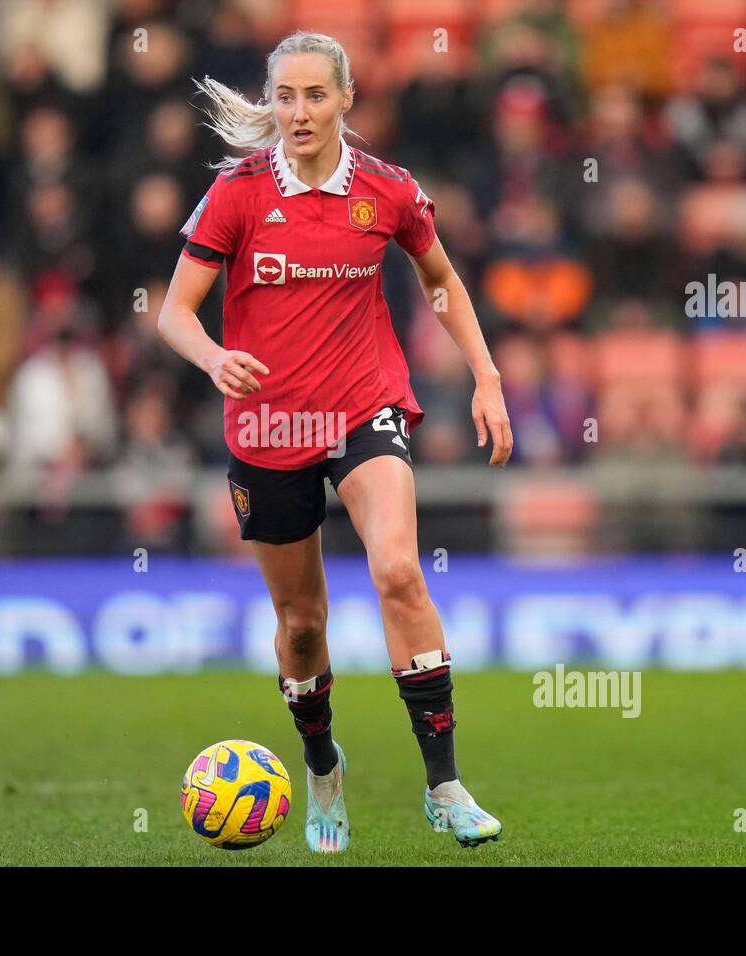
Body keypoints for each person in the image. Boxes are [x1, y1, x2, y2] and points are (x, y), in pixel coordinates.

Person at [157, 31, 513, 853]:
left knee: (396, 569)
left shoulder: (386, 190)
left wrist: (486, 377)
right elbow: (174, 311)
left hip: (363, 405)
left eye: (316, 95)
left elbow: (441, 280)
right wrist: (215, 358)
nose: (299, 112)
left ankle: (446, 785)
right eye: (286, 97)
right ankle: (321, 766)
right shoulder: (239, 194)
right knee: (303, 622)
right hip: (269, 423)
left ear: (347, 98)